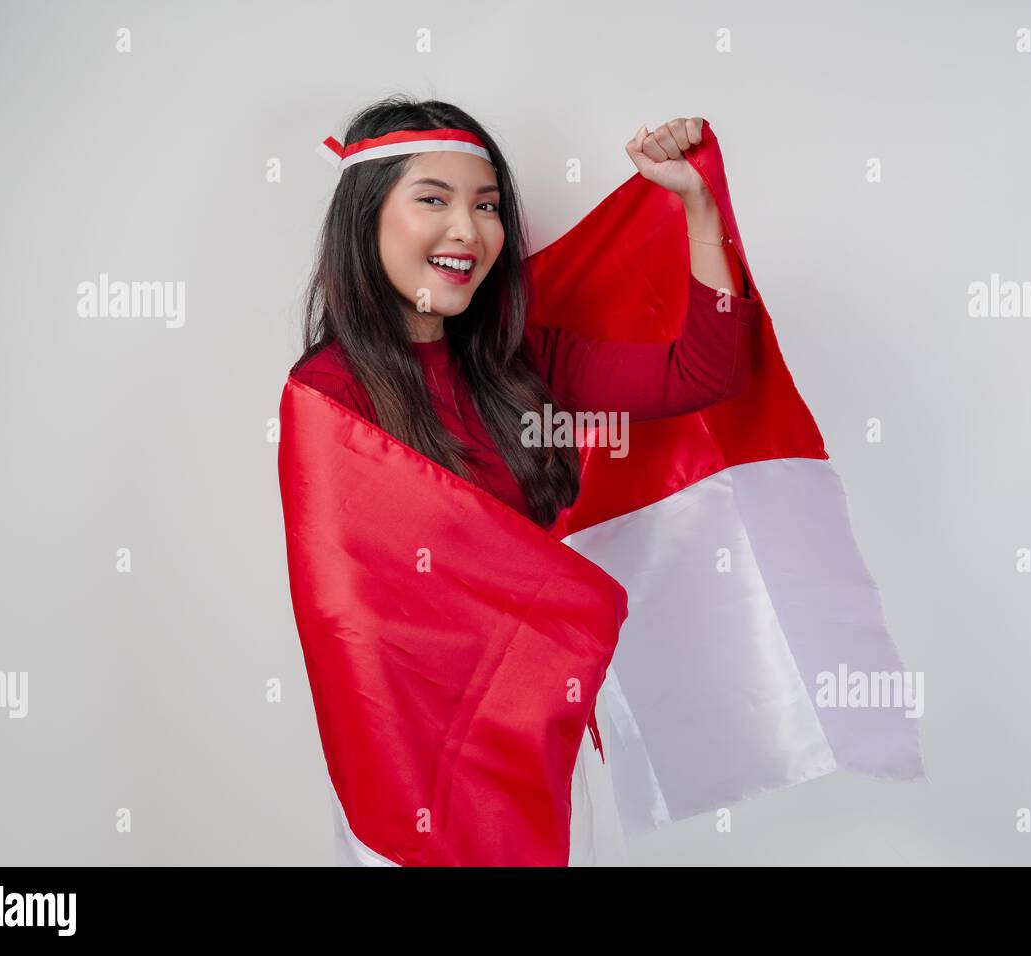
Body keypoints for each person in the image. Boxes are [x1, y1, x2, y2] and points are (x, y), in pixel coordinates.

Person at [289, 95, 761, 865]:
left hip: (531, 744)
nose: (468, 230)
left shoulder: (519, 366)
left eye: (486, 206)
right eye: (433, 200)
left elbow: (705, 372)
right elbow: (349, 617)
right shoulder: (327, 397)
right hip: (404, 770)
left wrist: (698, 204)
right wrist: (564, 611)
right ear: (366, 219)